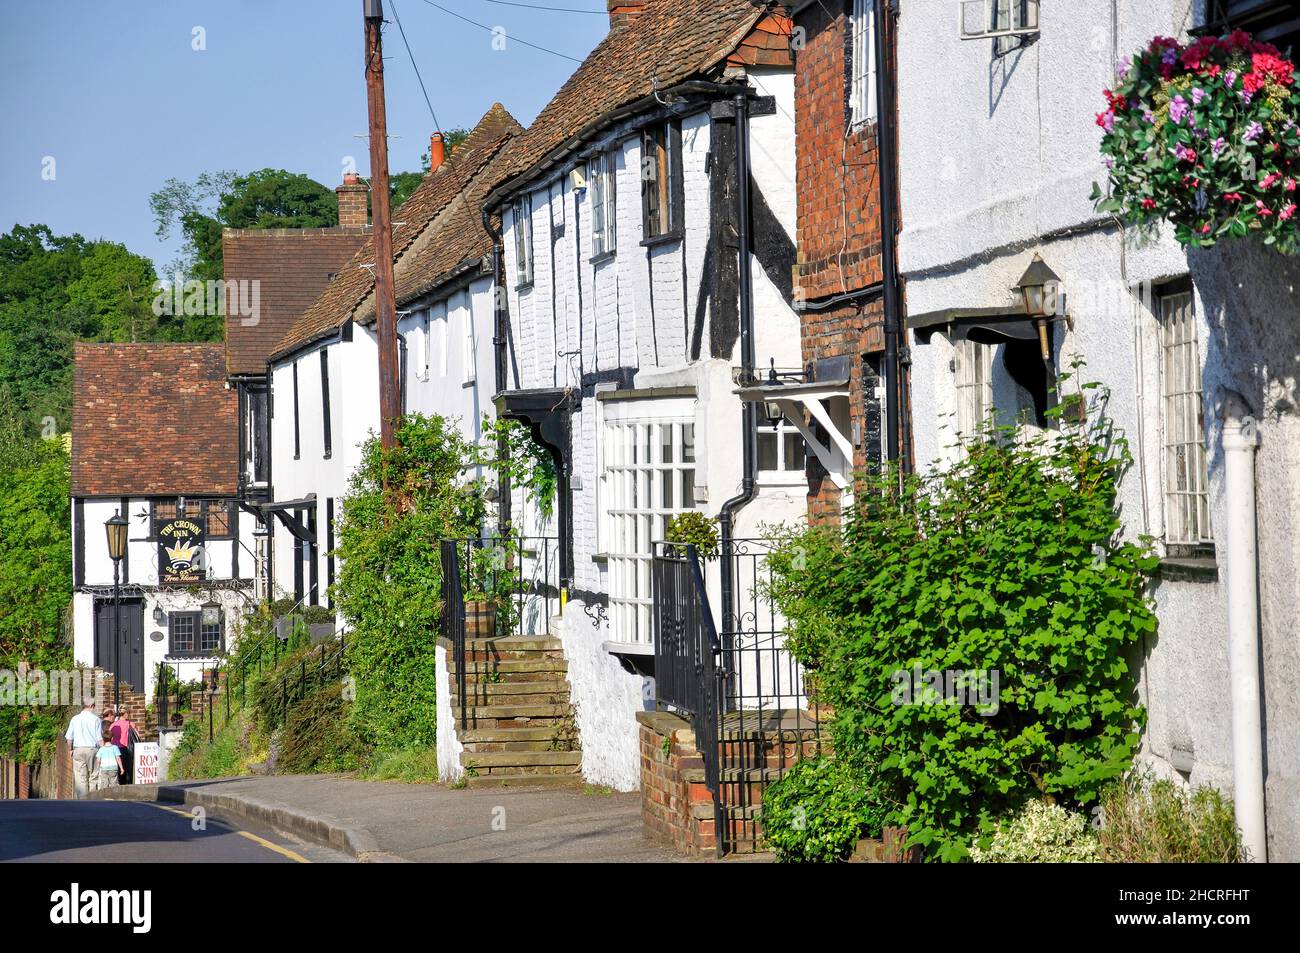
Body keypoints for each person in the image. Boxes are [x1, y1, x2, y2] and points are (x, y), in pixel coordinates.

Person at [64, 698, 102, 799]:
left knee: (80, 777)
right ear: (92, 706)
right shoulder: (97, 719)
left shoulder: (75, 719)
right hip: (92, 749)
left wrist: (70, 749)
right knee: (94, 776)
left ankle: (83, 800)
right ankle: (93, 798)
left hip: (78, 749)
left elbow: (69, 738)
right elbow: (99, 739)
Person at [110, 709, 136, 784]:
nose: (129, 714)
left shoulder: (114, 724)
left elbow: (109, 737)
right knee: (127, 772)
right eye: (129, 713)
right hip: (126, 750)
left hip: (115, 751)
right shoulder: (130, 724)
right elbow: (137, 736)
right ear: (125, 713)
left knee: (118, 772)